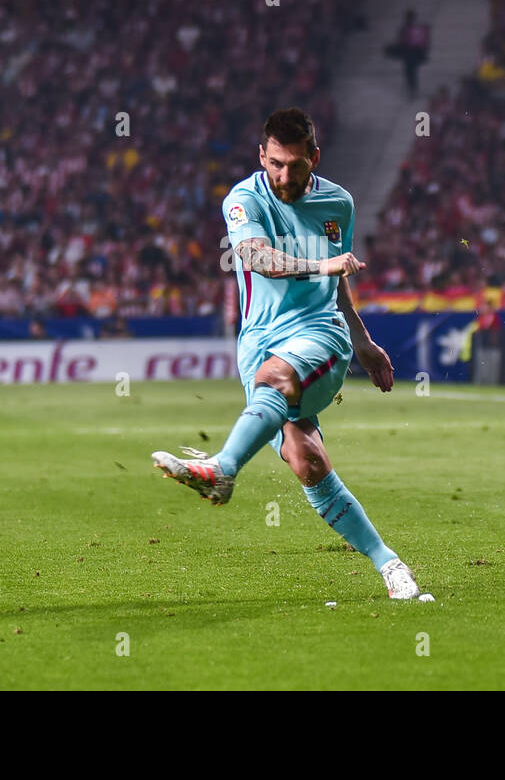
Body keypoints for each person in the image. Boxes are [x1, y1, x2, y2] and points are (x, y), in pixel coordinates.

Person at [151, 108, 426, 600]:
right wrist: (324, 264)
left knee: (277, 379)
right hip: (257, 342)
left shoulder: (338, 203)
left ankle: (222, 470)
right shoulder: (243, 200)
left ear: (314, 158)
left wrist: (361, 341)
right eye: (275, 163)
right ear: (262, 155)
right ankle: (391, 565)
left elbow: (336, 283)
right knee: (308, 463)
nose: (284, 175)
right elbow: (257, 258)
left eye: (295, 165)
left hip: (320, 334)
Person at [387, 9, 430, 98]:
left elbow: (421, 41)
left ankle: (412, 89)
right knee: (411, 72)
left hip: (412, 53)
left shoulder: (411, 28)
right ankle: (412, 89)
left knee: (410, 72)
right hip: (411, 53)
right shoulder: (409, 28)